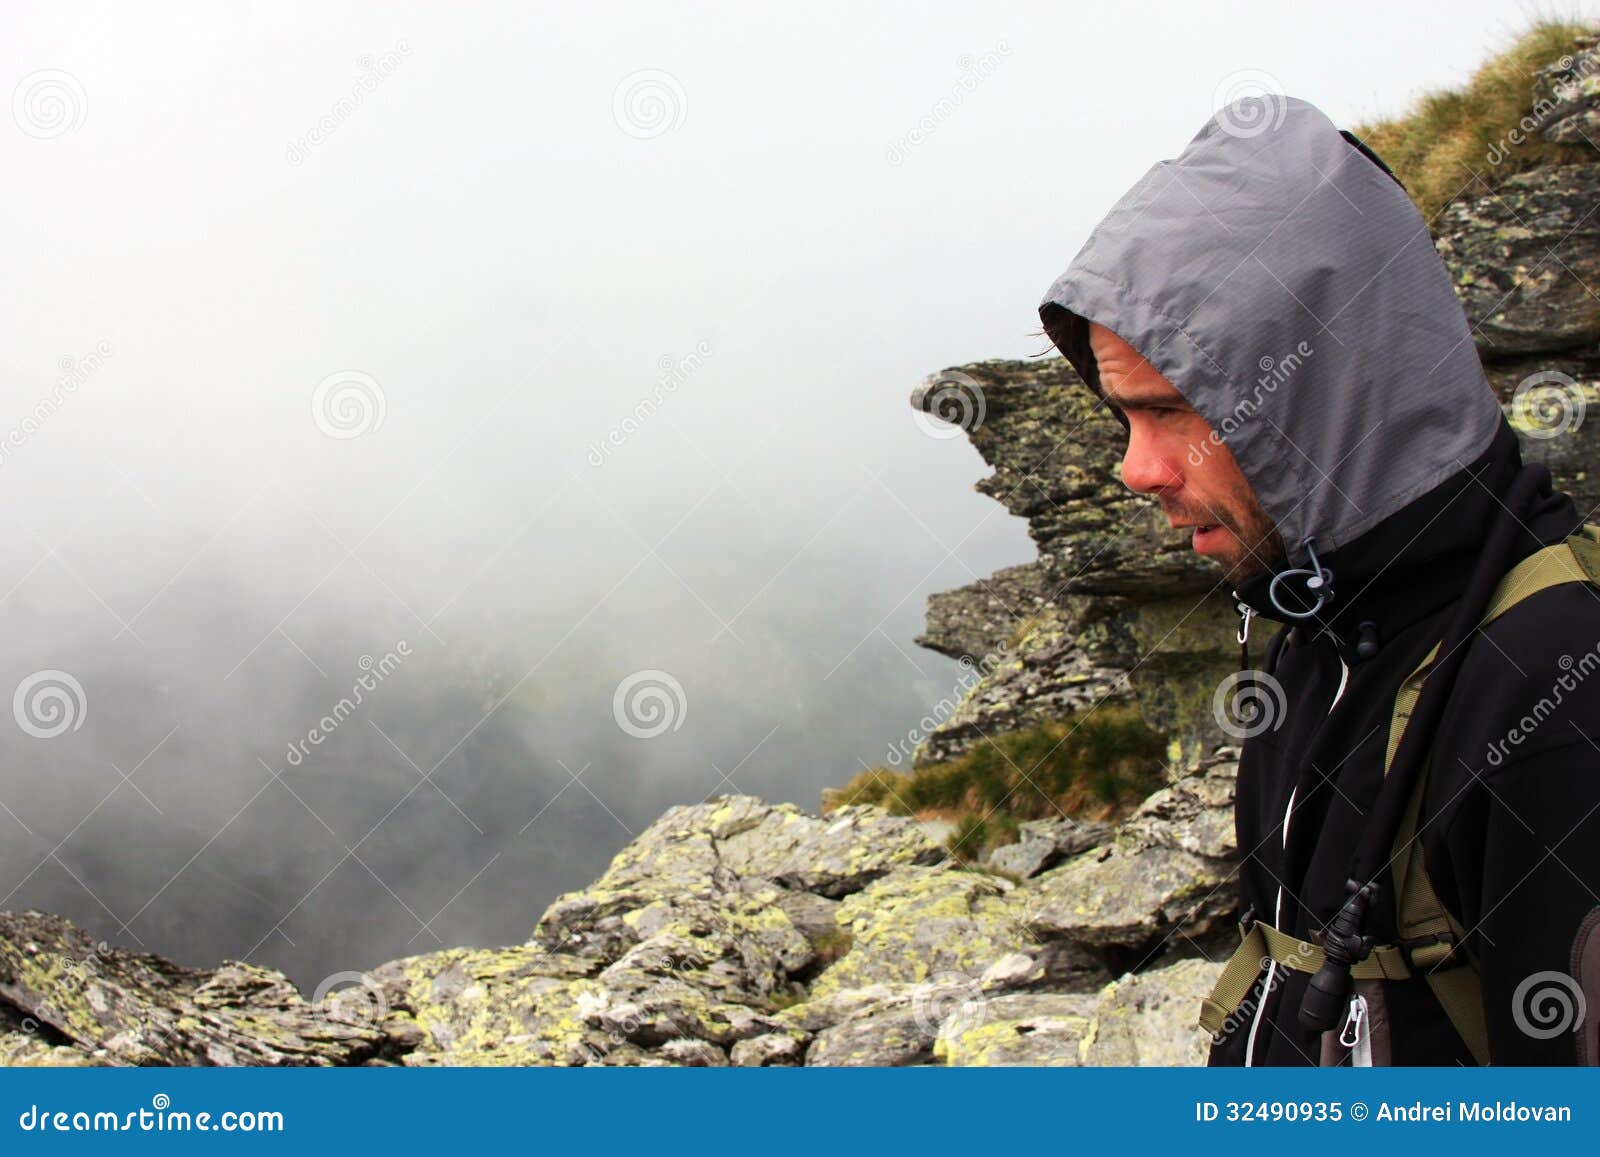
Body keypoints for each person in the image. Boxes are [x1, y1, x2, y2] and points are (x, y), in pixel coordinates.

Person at [1037, 94, 1600, 1065]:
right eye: (1125, 417)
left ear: (1317, 393)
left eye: (1172, 411)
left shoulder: (1552, 691)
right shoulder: (1321, 627)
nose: (1136, 471)